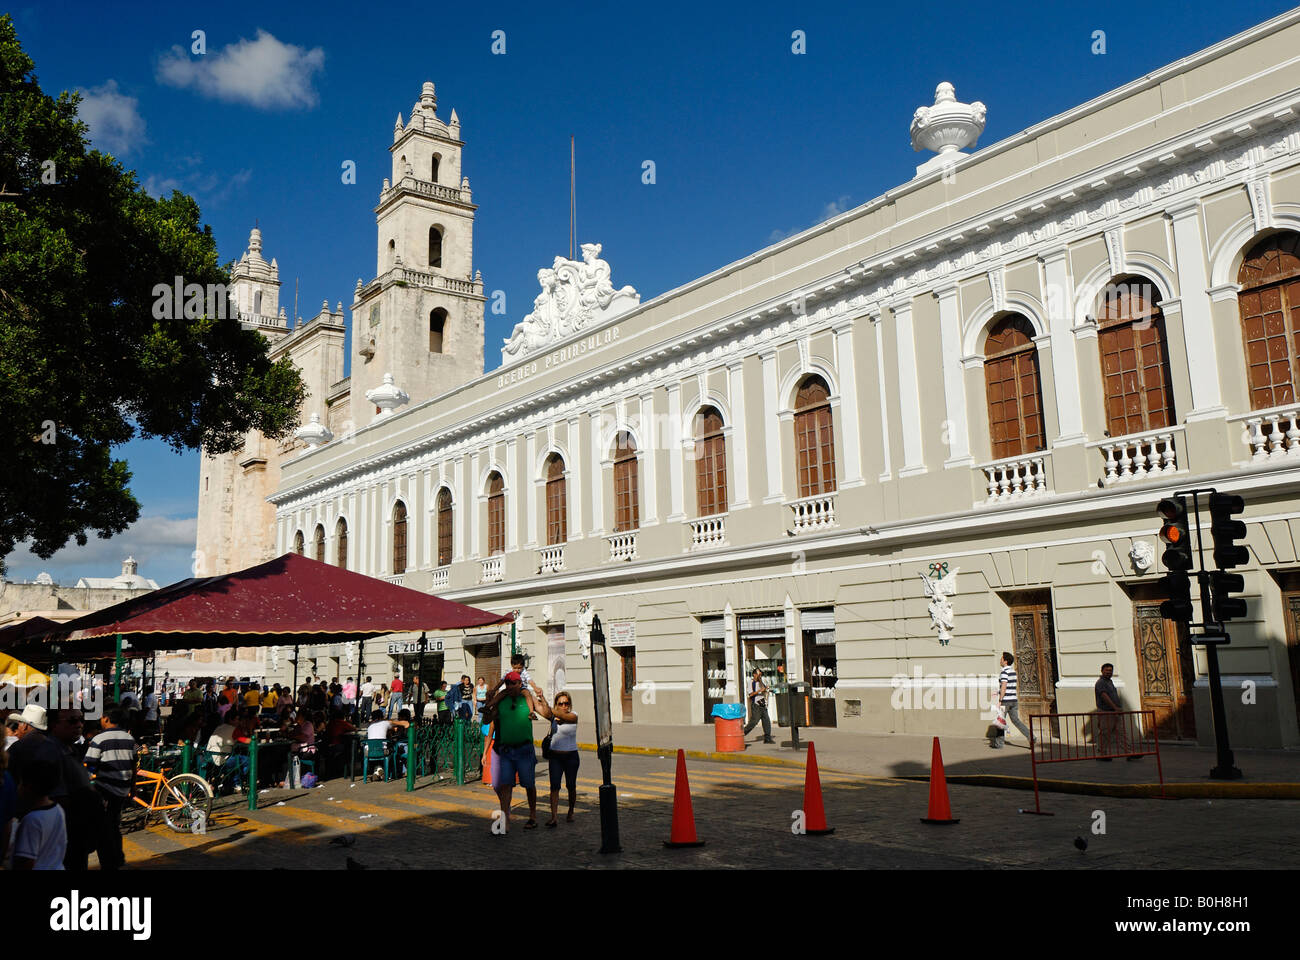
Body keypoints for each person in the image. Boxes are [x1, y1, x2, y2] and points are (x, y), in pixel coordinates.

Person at [482, 671, 551, 832]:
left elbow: (547, 714)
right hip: (506, 751)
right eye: (508, 683)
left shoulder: (528, 699)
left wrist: (542, 697)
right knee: (506, 785)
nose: (510, 686)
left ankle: (533, 816)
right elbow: (487, 720)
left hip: (524, 750)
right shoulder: (501, 701)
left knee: (529, 784)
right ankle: (505, 821)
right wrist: (488, 703)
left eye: (513, 683)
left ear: (520, 684)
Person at [47, 709, 101, 870]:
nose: (79, 725)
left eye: (81, 720)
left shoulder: (71, 750)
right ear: (54, 725)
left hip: (78, 838)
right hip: (65, 838)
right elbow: (58, 800)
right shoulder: (52, 753)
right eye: (72, 721)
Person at [83, 707, 135, 871]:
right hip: (123, 790)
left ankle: (110, 861)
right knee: (113, 823)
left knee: (104, 827)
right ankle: (117, 858)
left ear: (106, 719)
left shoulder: (100, 739)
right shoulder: (130, 738)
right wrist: (132, 788)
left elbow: (89, 764)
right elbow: (134, 764)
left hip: (105, 790)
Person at [11, 757, 66, 870]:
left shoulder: (31, 820)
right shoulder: (58, 809)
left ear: (28, 787)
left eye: (21, 783)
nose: (18, 787)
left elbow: (25, 861)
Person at [543, 690, 579, 827]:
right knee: (554, 787)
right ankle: (554, 817)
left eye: (566, 703)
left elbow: (557, 713)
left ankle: (571, 810)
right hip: (555, 757)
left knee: (571, 786)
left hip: (571, 756)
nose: (564, 706)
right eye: (561, 704)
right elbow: (543, 711)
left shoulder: (573, 716)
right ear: (556, 705)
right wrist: (538, 696)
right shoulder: (553, 717)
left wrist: (551, 710)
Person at [1094, 663, 1139, 760]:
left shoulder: (1109, 682)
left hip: (1115, 712)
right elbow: (1104, 696)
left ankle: (1129, 753)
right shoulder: (1100, 682)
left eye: (1110, 670)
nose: (1109, 672)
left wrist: (1117, 708)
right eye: (1107, 670)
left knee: (1122, 733)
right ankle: (1101, 754)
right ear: (1102, 671)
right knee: (1104, 733)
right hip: (1106, 712)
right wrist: (1115, 707)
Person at [993, 651, 1033, 748]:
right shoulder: (1013, 672)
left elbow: (1004, 686)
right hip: (1014, 700)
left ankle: (999, 744)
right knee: (1016, 721)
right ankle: (1032, 737)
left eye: (1001, 659)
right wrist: (998, 692)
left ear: (1005, 661)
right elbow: (1010, 686)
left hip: (1005, 701)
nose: (1000, 660)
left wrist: (1000, 700)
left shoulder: (1004, 672)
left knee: (1000, 722)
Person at [743, 668, 774, 744]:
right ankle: (741, 734)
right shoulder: (751, 682)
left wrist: (767, 689)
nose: (759, 676)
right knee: (753, 722)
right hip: (756, 705)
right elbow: (750, 694)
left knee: (766, 721)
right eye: (758, 674)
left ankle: (767, 738)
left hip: (762, 704)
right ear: (754, 674)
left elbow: (764, 690)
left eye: (760, 674)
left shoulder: (761, 682)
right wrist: (760, 691)